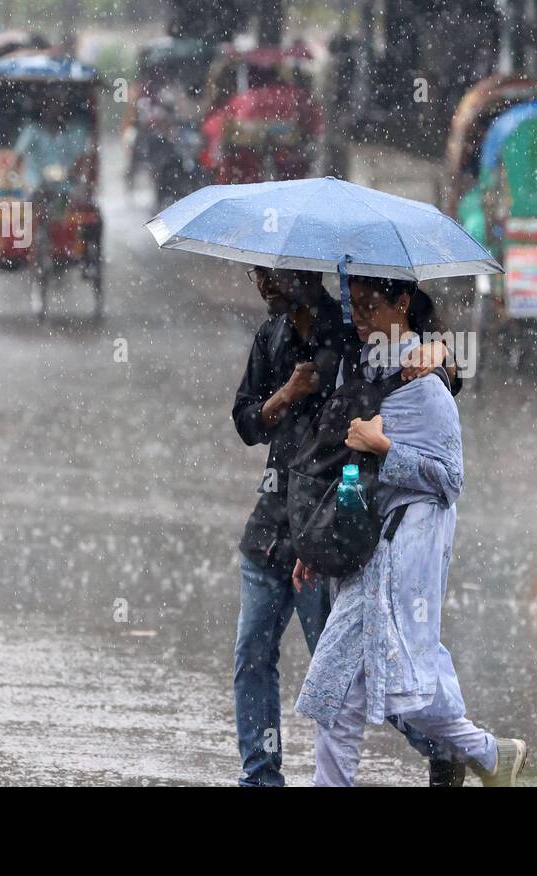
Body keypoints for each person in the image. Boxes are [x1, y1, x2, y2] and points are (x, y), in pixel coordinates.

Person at [231, 266, 463, 786]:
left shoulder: (355, 330)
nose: (264, 284)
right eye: (256, 273)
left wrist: (442, 353)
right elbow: (246, 420)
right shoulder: (270, 337)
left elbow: (429, 379)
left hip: (331, 523)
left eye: (274, 274)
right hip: (272, 522)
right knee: (251, 654)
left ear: (304, 273)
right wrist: (285, 395)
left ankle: (445, 745)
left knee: (345, 669)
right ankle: (260, 777)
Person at [293, 276, 527, 786]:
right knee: (346, 687)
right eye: (353, 305)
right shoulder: (361, 368)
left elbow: (450, 479)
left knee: (392, 683)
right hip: (364, 548)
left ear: (401, 303)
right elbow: (342, 465)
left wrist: (385, 449)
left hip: (407, 555)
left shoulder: (427, 383)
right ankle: (489, 755)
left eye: (369, 306)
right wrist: (318, 540)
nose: (359, 316)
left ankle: (486, 752)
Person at [14, 96, 92, 197]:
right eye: (50, 109)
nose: (54, 113)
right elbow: (17, 155)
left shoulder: (69, 134)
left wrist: (73, 173)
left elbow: (79, 157)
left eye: (57, 109)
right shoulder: (32, 131)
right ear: (43, 111)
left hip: (63, 187)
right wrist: (19, 180)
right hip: (34, 185)